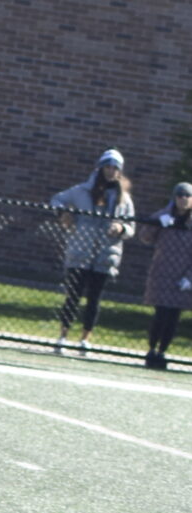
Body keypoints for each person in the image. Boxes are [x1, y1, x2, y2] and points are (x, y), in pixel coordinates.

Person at [53, 148, 134, 354]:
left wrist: (121, 229)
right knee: (73, 296)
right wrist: (64, 214)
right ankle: (63, 336)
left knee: (94, 300)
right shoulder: (82, 191)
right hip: (80, 252)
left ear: (119, 172)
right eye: (107, 166)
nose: (110, 171)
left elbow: (131, 227)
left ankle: (85, 339)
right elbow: (57, 199)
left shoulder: (123, 199)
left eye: (114, 168)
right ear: (100, 167)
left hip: (105, 255)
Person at [143, 182, 192, 369]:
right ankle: (151, 349)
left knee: (173, 317)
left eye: (187, 196)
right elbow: (145, 236)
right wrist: (158, 223)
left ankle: (163, 351)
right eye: (180, 195)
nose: (183, 199)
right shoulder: (163, 215)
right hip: (162, 273)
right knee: (160, 314)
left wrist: (190, 277)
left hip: (183, 276)